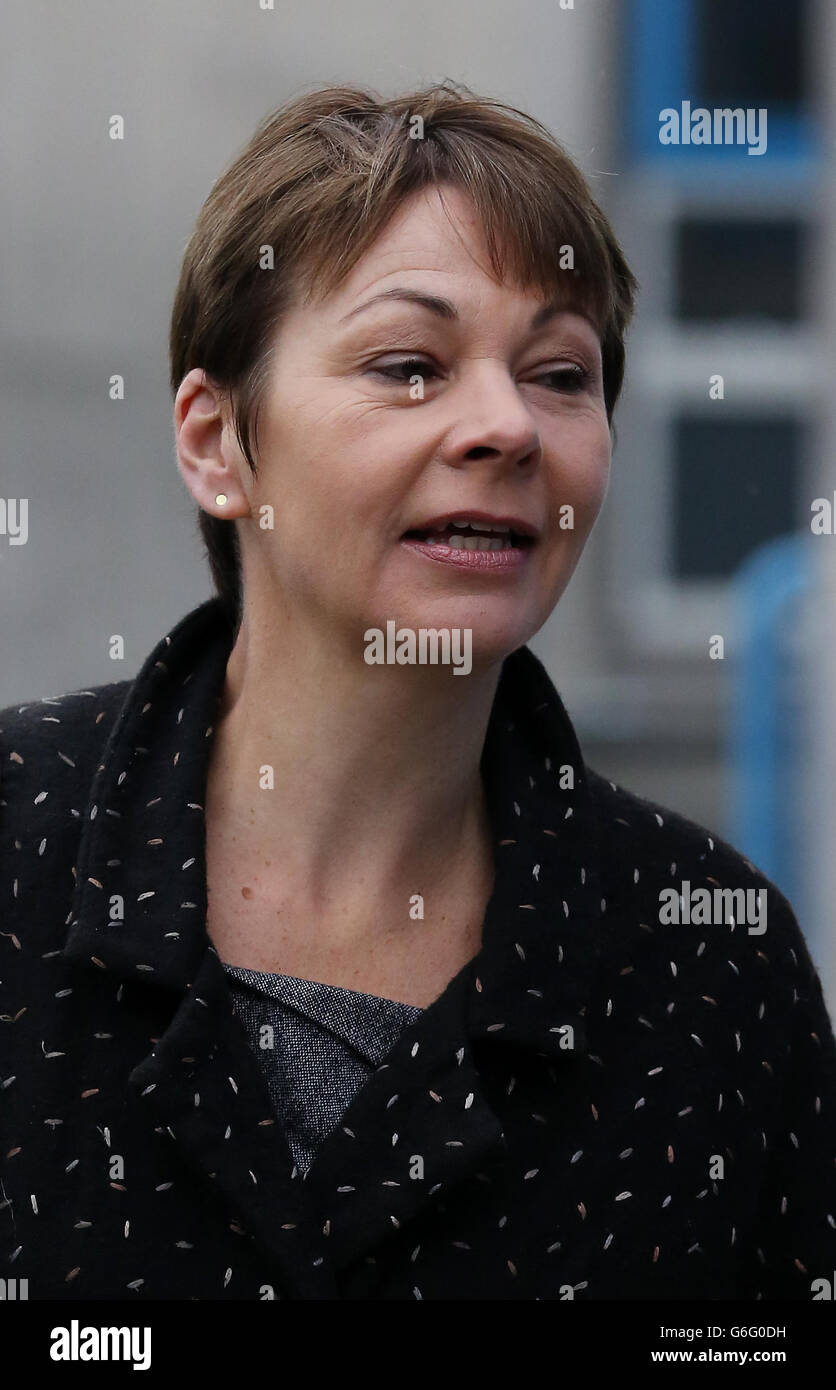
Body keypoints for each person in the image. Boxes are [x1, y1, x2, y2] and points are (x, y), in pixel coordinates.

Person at [1, 82, 833, 1302]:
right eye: (407, 366)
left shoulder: (708, 962)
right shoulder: (21, 843)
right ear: (216, 442)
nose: (504, 425)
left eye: (560, 373)